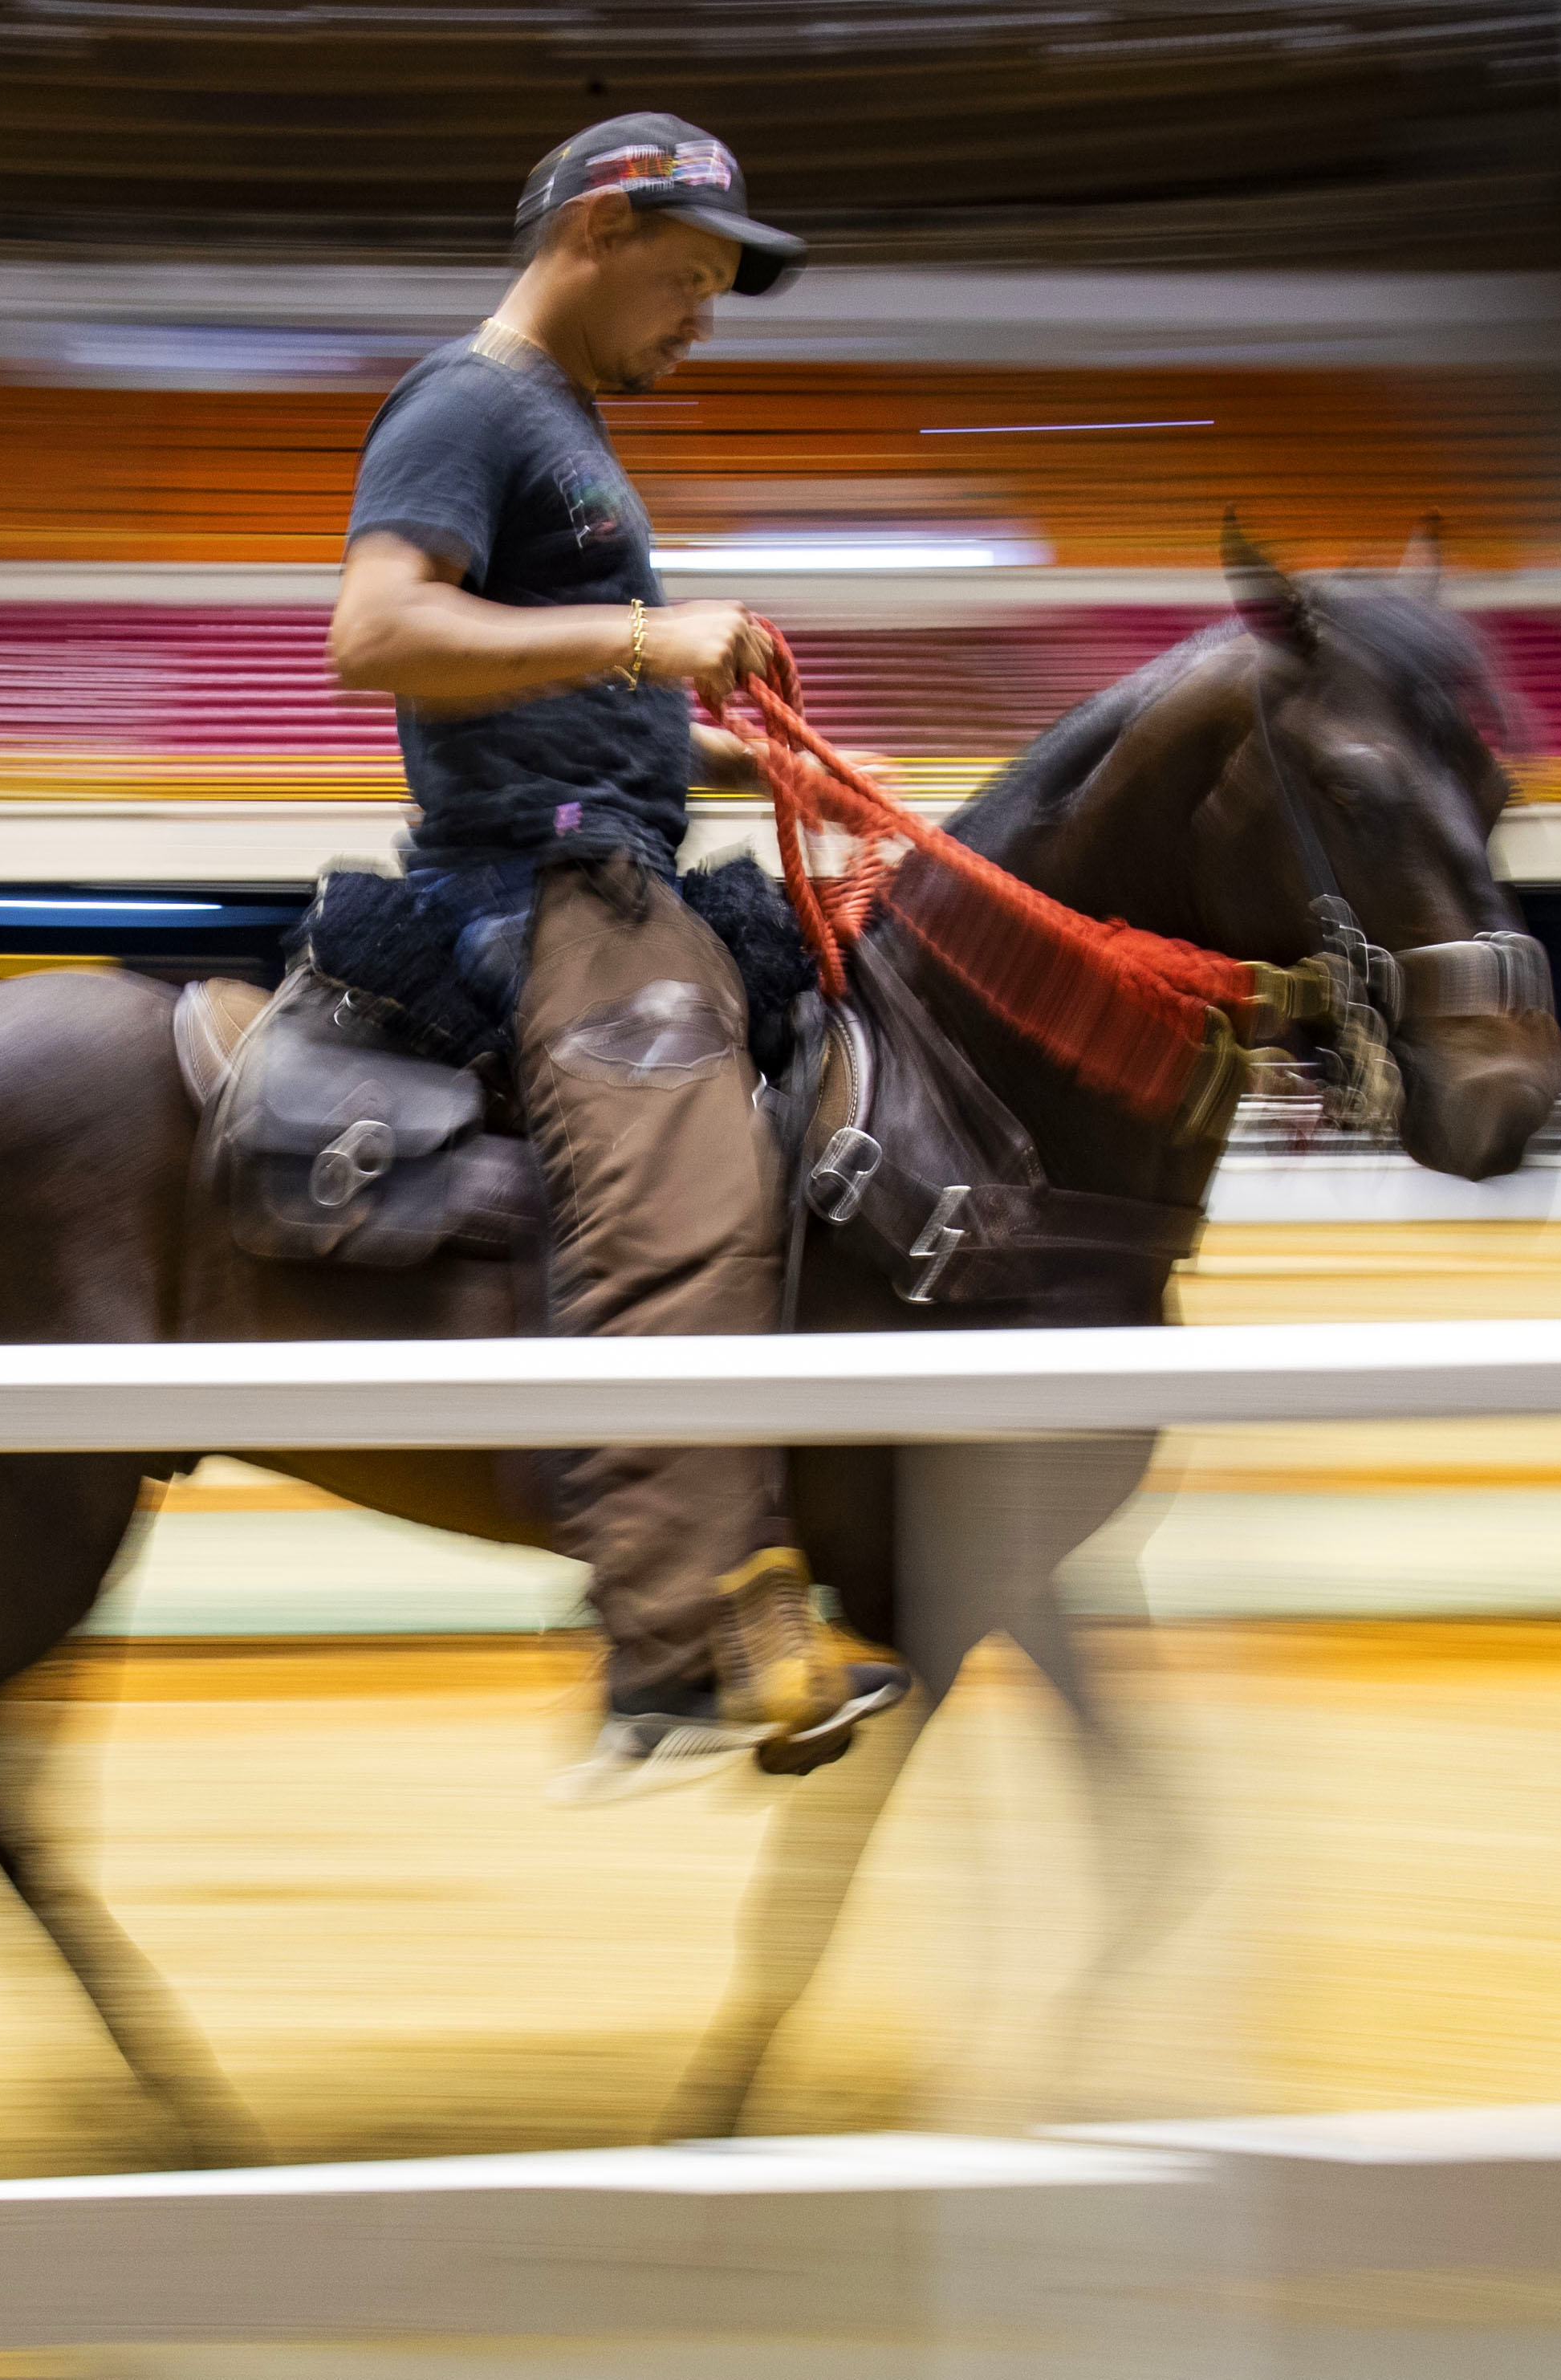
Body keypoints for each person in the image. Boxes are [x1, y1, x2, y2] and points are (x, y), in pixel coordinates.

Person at [326, 114, 905, 1800]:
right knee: (689, 1180)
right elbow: (372, 631)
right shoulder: (468, 401)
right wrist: (659, 635)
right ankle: (673, 1650)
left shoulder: (561, 430)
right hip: (543, 895)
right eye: (690, 279)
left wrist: (733, 753)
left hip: (618, 851)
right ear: (596, 227)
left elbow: (568, 692)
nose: (702, 322)